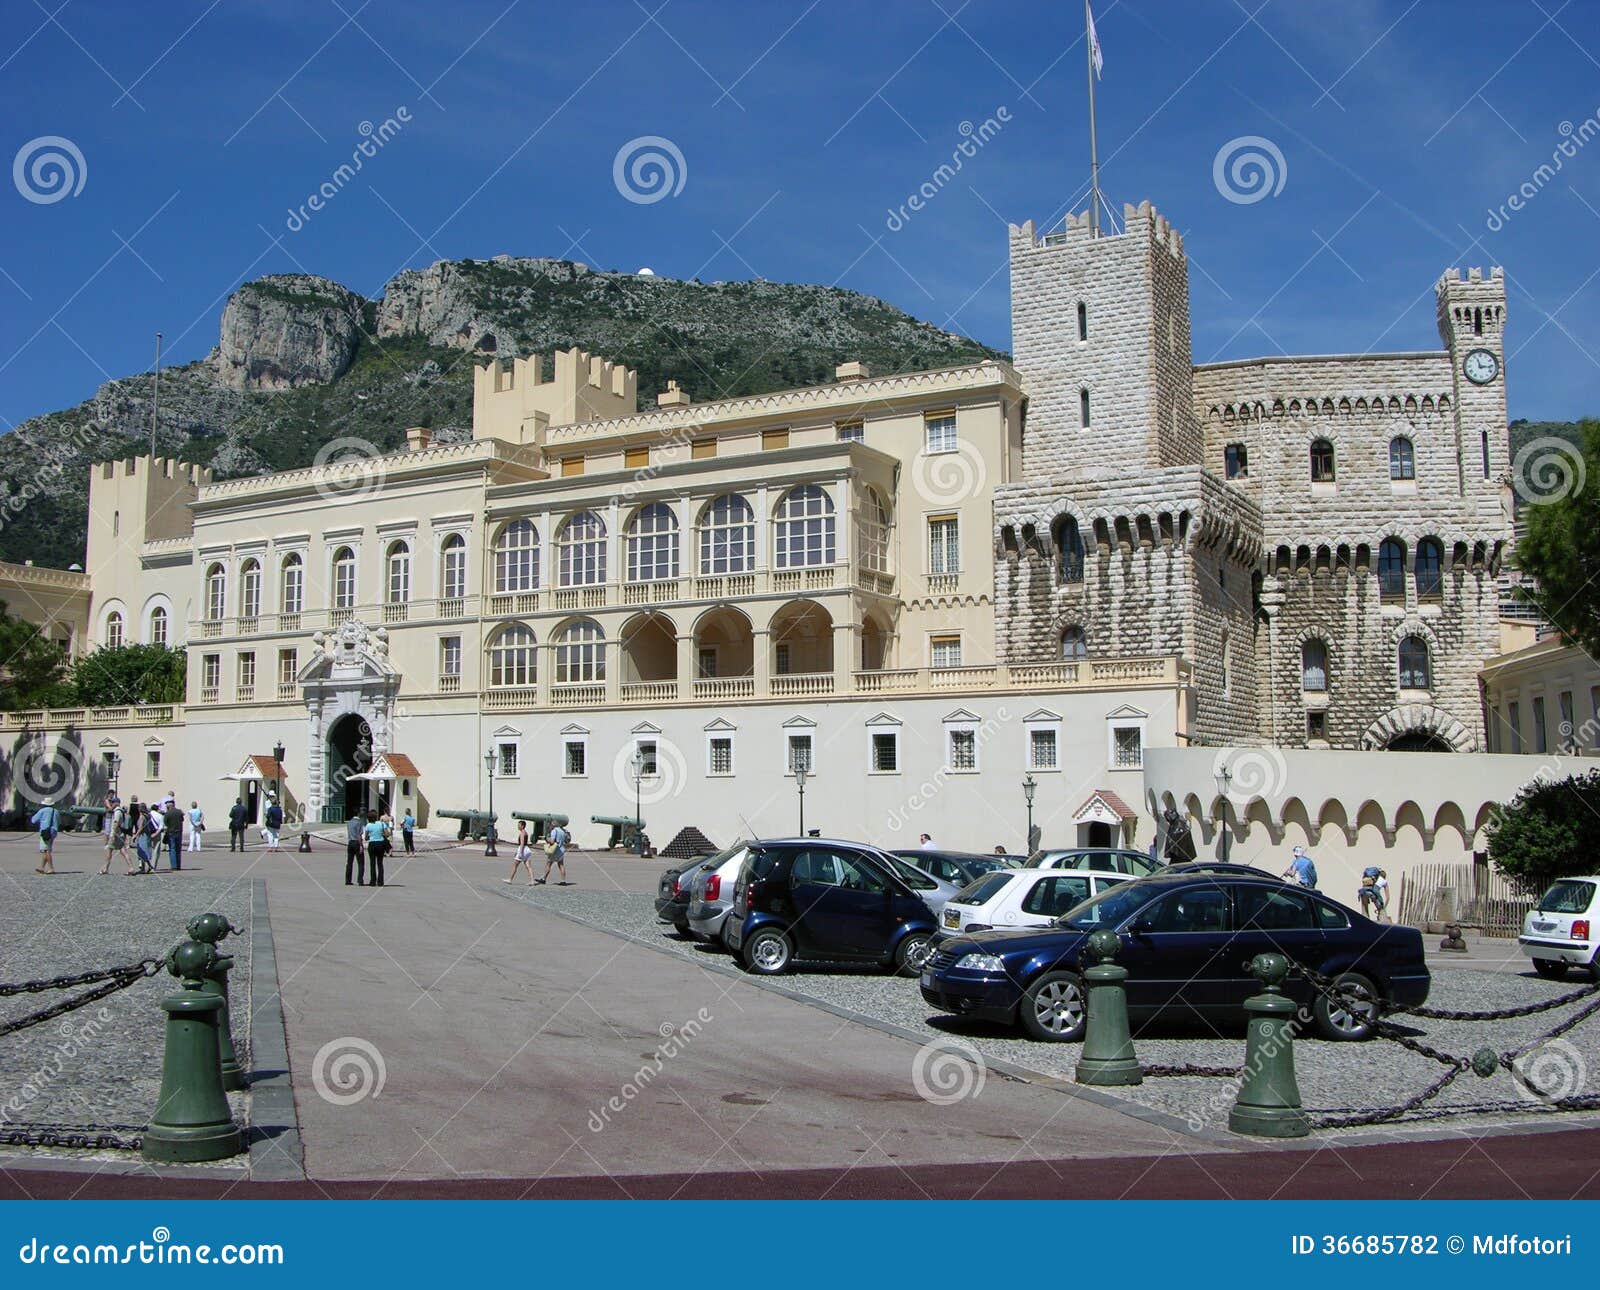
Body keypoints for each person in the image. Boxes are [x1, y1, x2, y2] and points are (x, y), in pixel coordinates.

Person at [31, 801, 61, 874]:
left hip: (45, 832)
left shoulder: (42, 811)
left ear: (44, 804)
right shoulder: (56, 811)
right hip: (53, 832)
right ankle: (42, 868)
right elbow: (59, 822)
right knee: (46, 849)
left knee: (46, 850)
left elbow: (33, 820)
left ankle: (51, 868)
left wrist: (42, 821)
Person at [538, 821, 570, 886]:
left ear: (553, 825)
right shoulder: (562, 831)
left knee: (548, 864)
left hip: (555, 850)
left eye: (551, 825)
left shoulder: (554, 831)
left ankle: (544, 879)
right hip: (561, 850)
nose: (550, 826)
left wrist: (547, 839)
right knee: (561, 865)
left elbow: (552, 841)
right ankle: (563, 880)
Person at [364, 809, 390, 887]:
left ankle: (373, 881)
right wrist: (381, 834)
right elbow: (387, 834)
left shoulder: (368, 825)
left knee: (372, 863)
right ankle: (380, 881)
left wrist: (371, 836)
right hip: (380, 844)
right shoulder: (381, 824)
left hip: (372, 844)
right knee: (380, 863)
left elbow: (366, 837)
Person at [505, 820, 535, 885]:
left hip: (523, 850)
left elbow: (522, 843)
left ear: (522, 826)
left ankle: (510, 879)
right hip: (527, 850)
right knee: (528, 866)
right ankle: (532, 880)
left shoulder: (522, 833)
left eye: (519, 825)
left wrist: (520, 852)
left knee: (515, 865)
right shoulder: (525, 832)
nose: (518, 826)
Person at [344, 811, 366, 887]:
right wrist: (361, 845)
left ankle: (348, 880)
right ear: (358, 814)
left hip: (350, 842)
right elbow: (359, 835)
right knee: (361, 863)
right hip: (357, 842)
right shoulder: (359, 822)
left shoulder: (349, 822)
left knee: (349, 862)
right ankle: (360, 880)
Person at [163, 798, 185, 870]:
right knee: (178, 849)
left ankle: (174, 866)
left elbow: (165, 823)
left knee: (172, 849)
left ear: (168, 806)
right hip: (179, 832)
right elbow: (182, 819)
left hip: (171, 832)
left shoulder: (167, 813)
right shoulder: (179, 812)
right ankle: (178, 865)